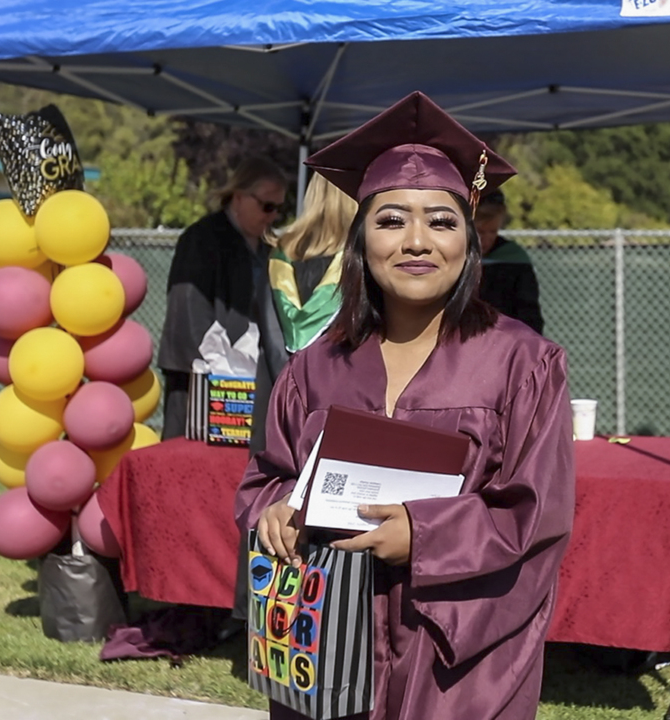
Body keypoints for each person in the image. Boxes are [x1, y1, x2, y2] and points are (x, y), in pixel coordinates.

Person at [235, 92, 575, 720]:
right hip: (332, 642)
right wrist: (273, 511)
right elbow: (269, 475)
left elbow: (536, 516)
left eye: (442, 222)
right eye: (391, 220)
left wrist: (426, 534)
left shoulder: (521, 363)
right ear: (360, 237)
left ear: (469, 241)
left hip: (459, 658)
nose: (417, 242)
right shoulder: (317, 364)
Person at [157, 157, 287, 440]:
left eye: (279, 209)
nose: (272, 216)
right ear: (239, 196)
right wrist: (217, 366)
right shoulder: (202, 238)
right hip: (200, 373)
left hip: (249, 373)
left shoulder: (269, 246)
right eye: (267, 206)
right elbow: (189, 309)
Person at [251, 173, 358, 455]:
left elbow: (270, 333)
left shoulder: (278, 255)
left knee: (273, 493)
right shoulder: (361, 262)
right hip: (337, 398)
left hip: (276, 399)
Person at [474, 189, 545, 334]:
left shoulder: (513, 259)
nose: (486, 240)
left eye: (492, 232)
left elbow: (528, 314)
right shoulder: (452, 257)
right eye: (480, 231)